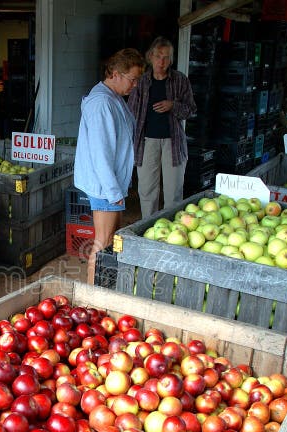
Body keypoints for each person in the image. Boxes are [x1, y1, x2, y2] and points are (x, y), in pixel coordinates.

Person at [74, 48, 145, 284]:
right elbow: (100, 154)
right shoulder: (102, 103)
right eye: (132, 79)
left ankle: (105, 286)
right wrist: (114, 192)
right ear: (115, 74)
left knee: (112, 240)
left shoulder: (113, 98)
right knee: (102, 242)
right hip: (105, 185)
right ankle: (91, 294)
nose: (135, 85)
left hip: (112, 183)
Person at [128, 37, 197, 219]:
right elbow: (131, 111)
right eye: (158, 56)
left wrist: (173, 105)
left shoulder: (180, 80)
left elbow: (191, 110)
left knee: (173, 192)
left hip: (173, 143)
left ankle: (172, 229)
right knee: (147, 191)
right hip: (146, 142)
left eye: (166, 57)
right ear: (150, 56)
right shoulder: (141, 81)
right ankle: (148, 227)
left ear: (171, 59)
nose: (162, 61)